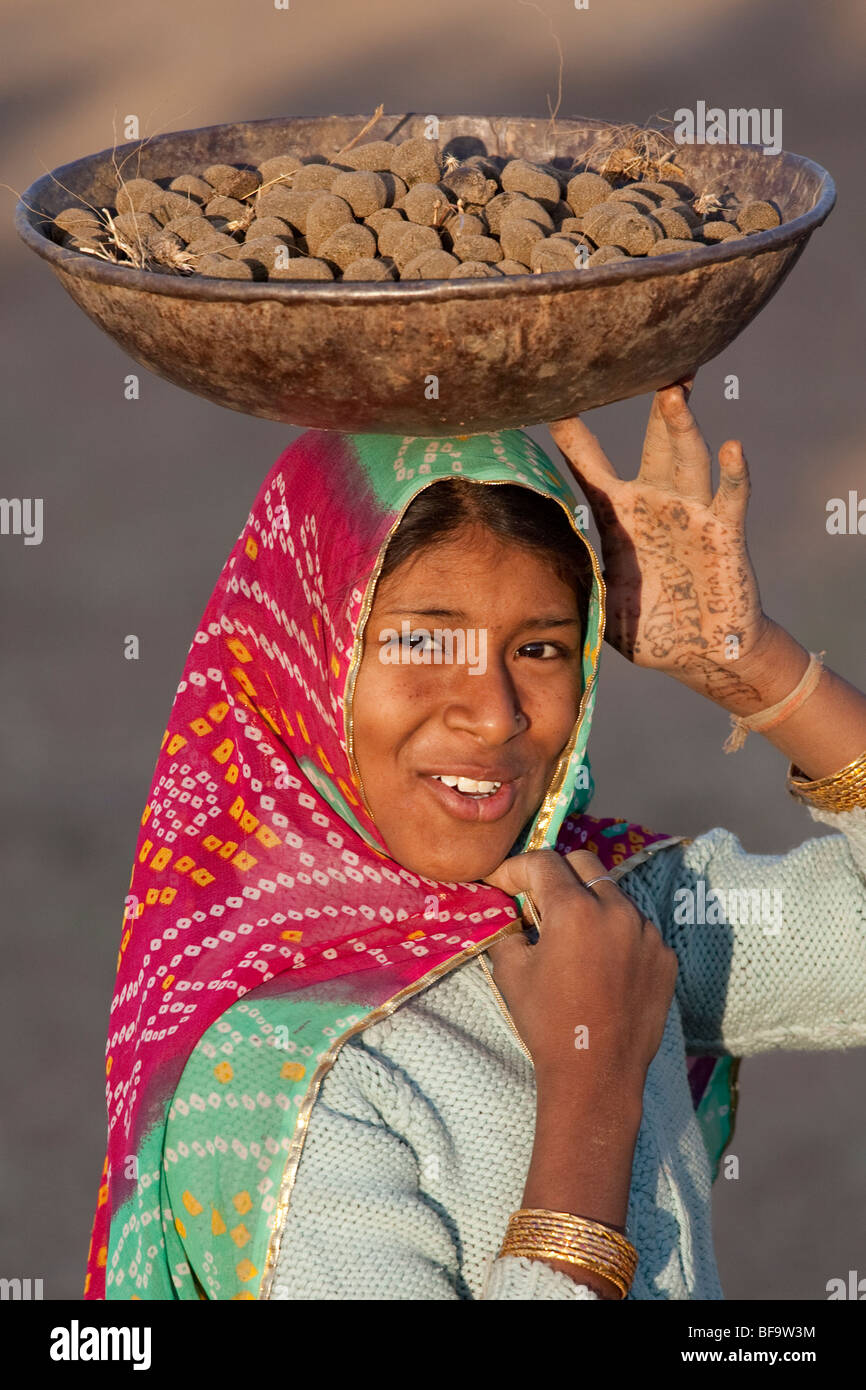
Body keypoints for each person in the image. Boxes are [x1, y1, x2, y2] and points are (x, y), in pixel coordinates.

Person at [84, 385, 866, 1300]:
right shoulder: (271, 1079)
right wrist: (595, 1082)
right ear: (300, 659)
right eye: (422, 643)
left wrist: (753, 661)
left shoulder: (606, 915)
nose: (495, 714)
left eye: (540, 649)